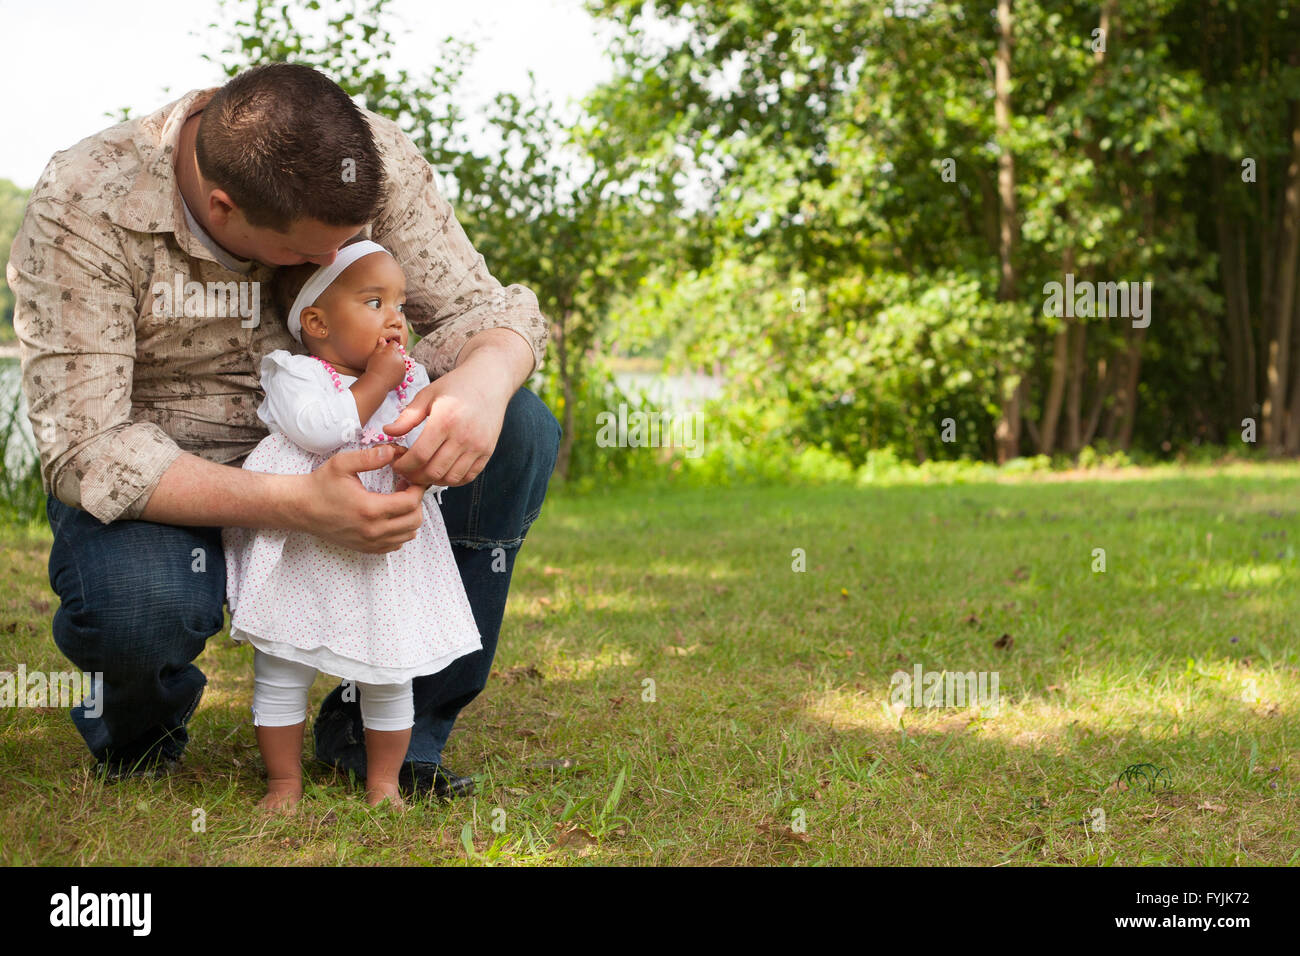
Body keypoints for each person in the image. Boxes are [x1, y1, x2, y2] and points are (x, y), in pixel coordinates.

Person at [8, 63, 560, 798]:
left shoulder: (367, 165)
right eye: (308, 255)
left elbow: (486, 312)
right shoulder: (83, 202)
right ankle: (141, 733)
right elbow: (88, 450)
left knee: (519, 426)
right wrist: (299, 502)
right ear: (223, 206)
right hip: (175, 472)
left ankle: (386, 734)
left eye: (348, 245)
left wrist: (486, 383)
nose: (334, 266)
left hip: (356, 447)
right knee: (141, 605)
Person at [224, 236, 482, 809]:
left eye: (400, 302)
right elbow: (323, 430)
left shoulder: (403, 381)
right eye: (374, 302)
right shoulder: (295, 372)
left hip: (383, 551)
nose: (395, 317)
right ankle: (283, 781)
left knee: (389, 668)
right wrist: (379, 382)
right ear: (316, 321)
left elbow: (417, 440)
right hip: (305, 545)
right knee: (283, 664)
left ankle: (384, 782)